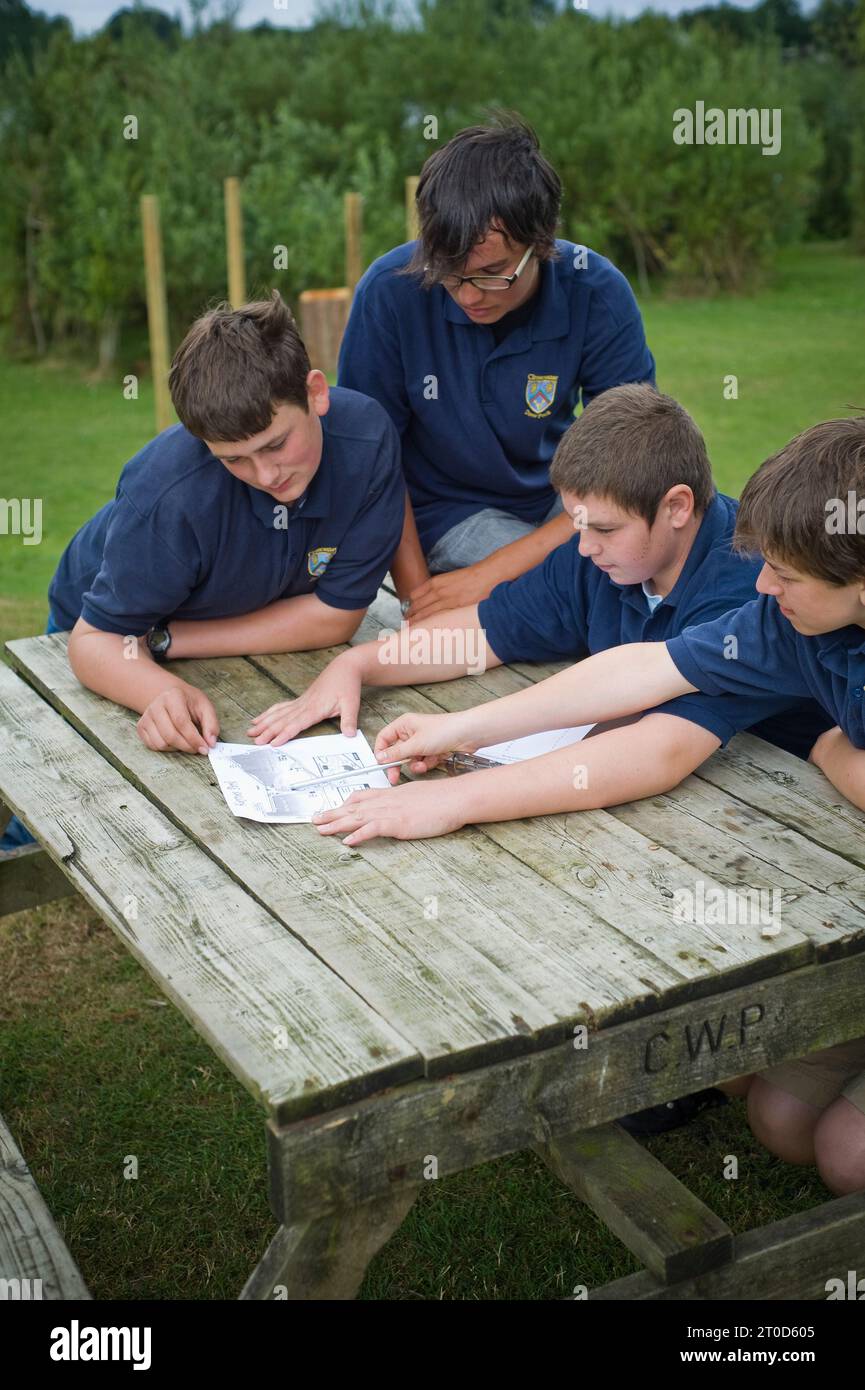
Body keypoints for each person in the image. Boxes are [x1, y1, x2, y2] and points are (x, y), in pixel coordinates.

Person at [330, 415, 865, 1188]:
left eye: (783, 575)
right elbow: (639, 671)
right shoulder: (794, 623)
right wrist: (461, 730)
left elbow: (658, 747)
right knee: (780, 1122)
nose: (760, 586)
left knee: (843, 1154)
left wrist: (461, 801)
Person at [1, 292, 404, 849]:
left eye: (276, 444)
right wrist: (154, 688)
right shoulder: (166, 494)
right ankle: (23, 844)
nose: (265, 474)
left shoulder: (369, 437)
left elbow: (335, 616)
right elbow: (93, 639)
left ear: (315, 393)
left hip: (202, 618)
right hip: (107, 610)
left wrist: (168, 642)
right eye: (233, 458)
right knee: (67, 762)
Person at [338, 114, 655, 620]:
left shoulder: (597, 292)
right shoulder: (389, 292)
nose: (466, 295)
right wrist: (420, 596)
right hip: (445, 512)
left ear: (543, 242)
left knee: (666, 542)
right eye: (448, 273)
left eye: (491, 274)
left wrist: (489, 574)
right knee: (581, 589)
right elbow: (375, 464)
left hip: (565, 500)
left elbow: (628, 463)